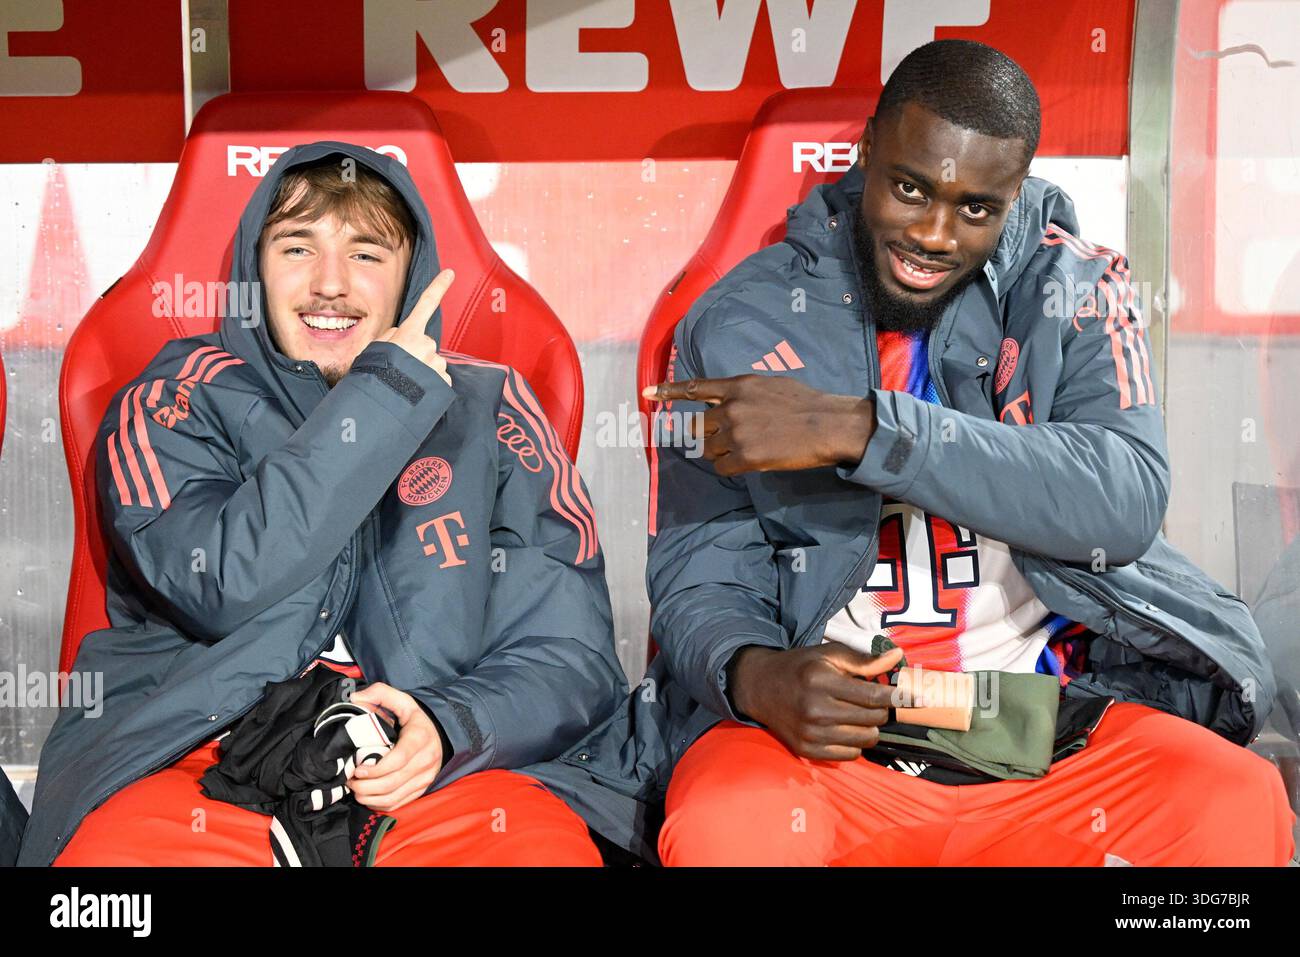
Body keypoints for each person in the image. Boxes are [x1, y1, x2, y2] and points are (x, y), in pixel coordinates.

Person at [631, 39, 1295, 866]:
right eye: (910, 188)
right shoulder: (735, 320)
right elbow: (696, 561)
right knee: (726, 827)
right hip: (831, 741)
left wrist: (866, 429)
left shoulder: (1079, 288)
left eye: (976, 208)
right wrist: (755, 673)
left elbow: (1122, 500)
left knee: (1233, 801)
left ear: (1016, 194)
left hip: (1045, 726)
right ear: (867, 151)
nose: (933, 234)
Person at [17, 142, 625, 866]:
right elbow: (219, 580)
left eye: (367, 254)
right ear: (255, 267)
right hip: (195, 761)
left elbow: (573, 653)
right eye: (298, 247)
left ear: (411, 280)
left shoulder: (488, 404)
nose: (330, 284)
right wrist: (384, 398)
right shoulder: (172, 397)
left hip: (440, 767)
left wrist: (454, 721)